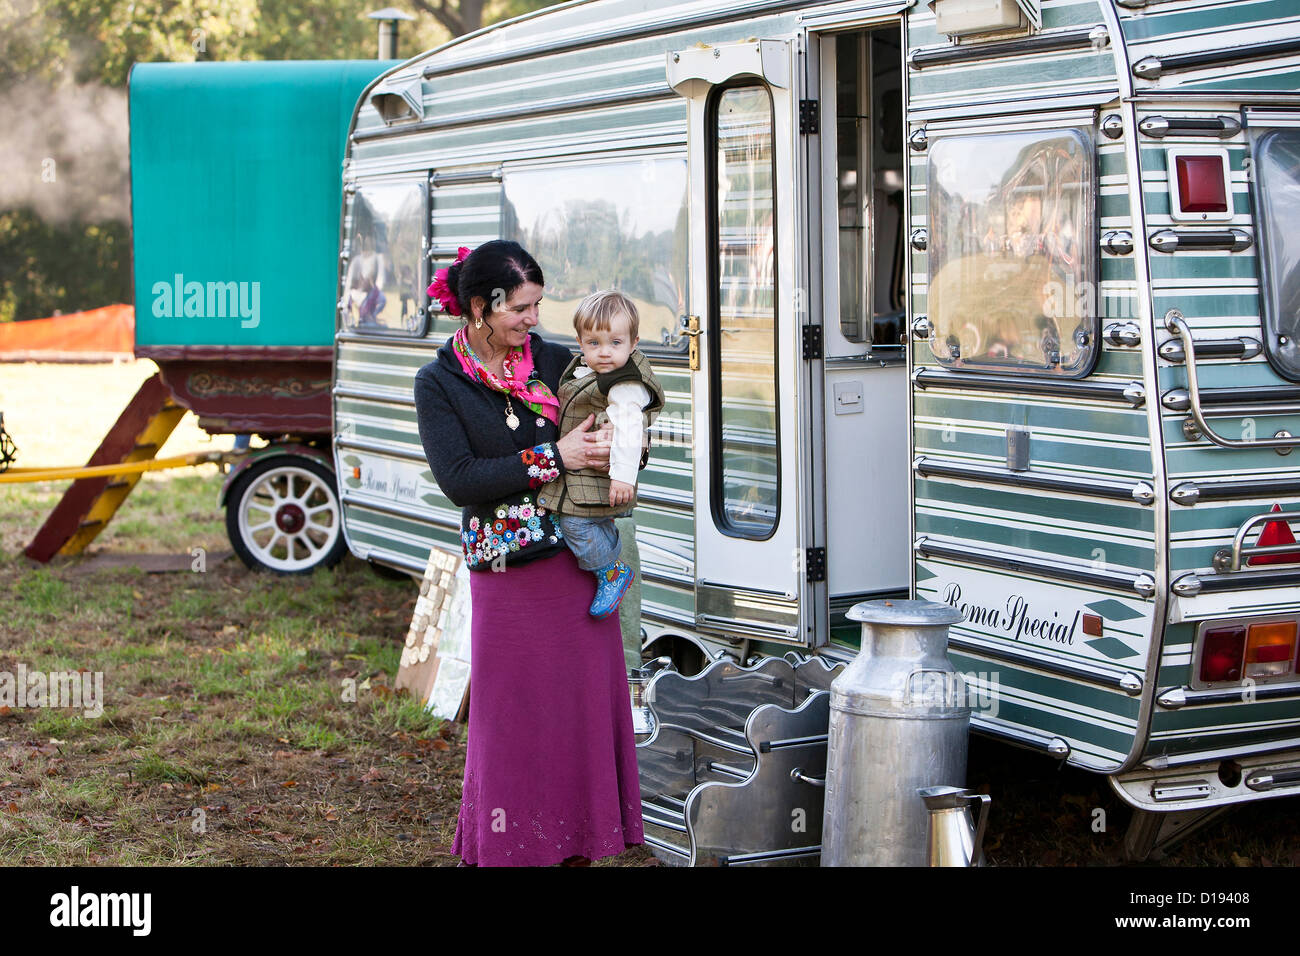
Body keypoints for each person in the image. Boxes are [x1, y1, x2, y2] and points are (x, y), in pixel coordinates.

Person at [412, 240, 644, 867]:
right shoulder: (439, 382)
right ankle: (510, 846)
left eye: (538, 305)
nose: (533, 320)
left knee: (580, 714)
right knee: (511, 721)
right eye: (522, 307)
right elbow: (460, 478)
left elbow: (615, 412)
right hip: (509, 572)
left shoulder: (554, 360)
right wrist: (555, 457)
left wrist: (620, 448)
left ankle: (577, 845)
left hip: (579, 570)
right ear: (482, 308)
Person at [536, 291, 665, 619]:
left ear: (633, 343)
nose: (605, 353)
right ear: (580, 342)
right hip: (580, 476)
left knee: (575, 525)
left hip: (598, 475)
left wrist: (624, 475)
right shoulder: (583, 369)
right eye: (594, 343)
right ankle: (607, 558)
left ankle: (611, 571)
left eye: (615, 343)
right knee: (589, 523)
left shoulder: (623, 384)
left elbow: (630, 429)